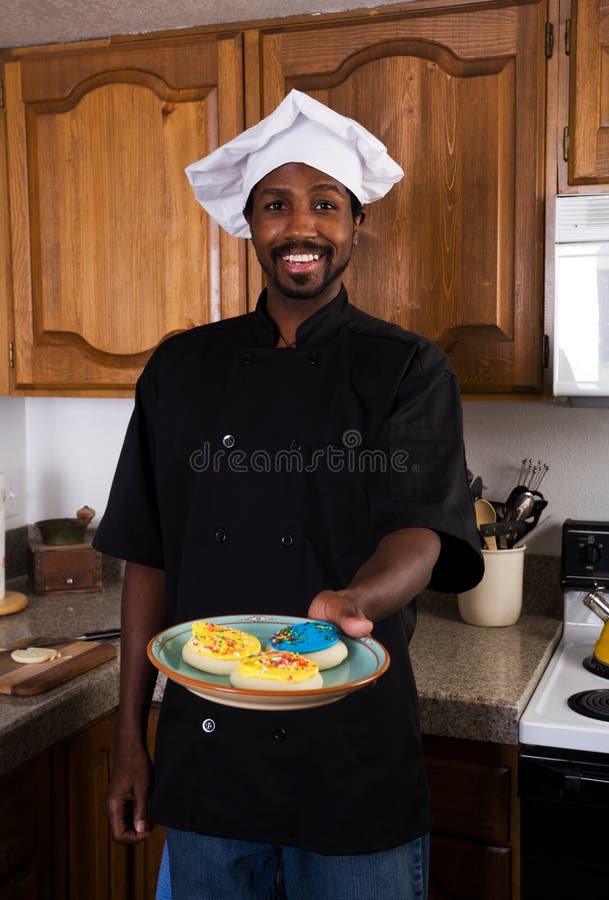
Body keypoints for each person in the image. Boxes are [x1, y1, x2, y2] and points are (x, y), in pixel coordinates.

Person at [93, 89, 483, 900]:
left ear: (353, 225)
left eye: (324, 205)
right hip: (209, 760)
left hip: (351, 757)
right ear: (249, 223)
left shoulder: (406, 368)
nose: (300, 227)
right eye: (276, 205)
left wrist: (355, 597)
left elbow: (422, 530)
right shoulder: (179, 369)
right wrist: (131, 740)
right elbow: (147, 555)